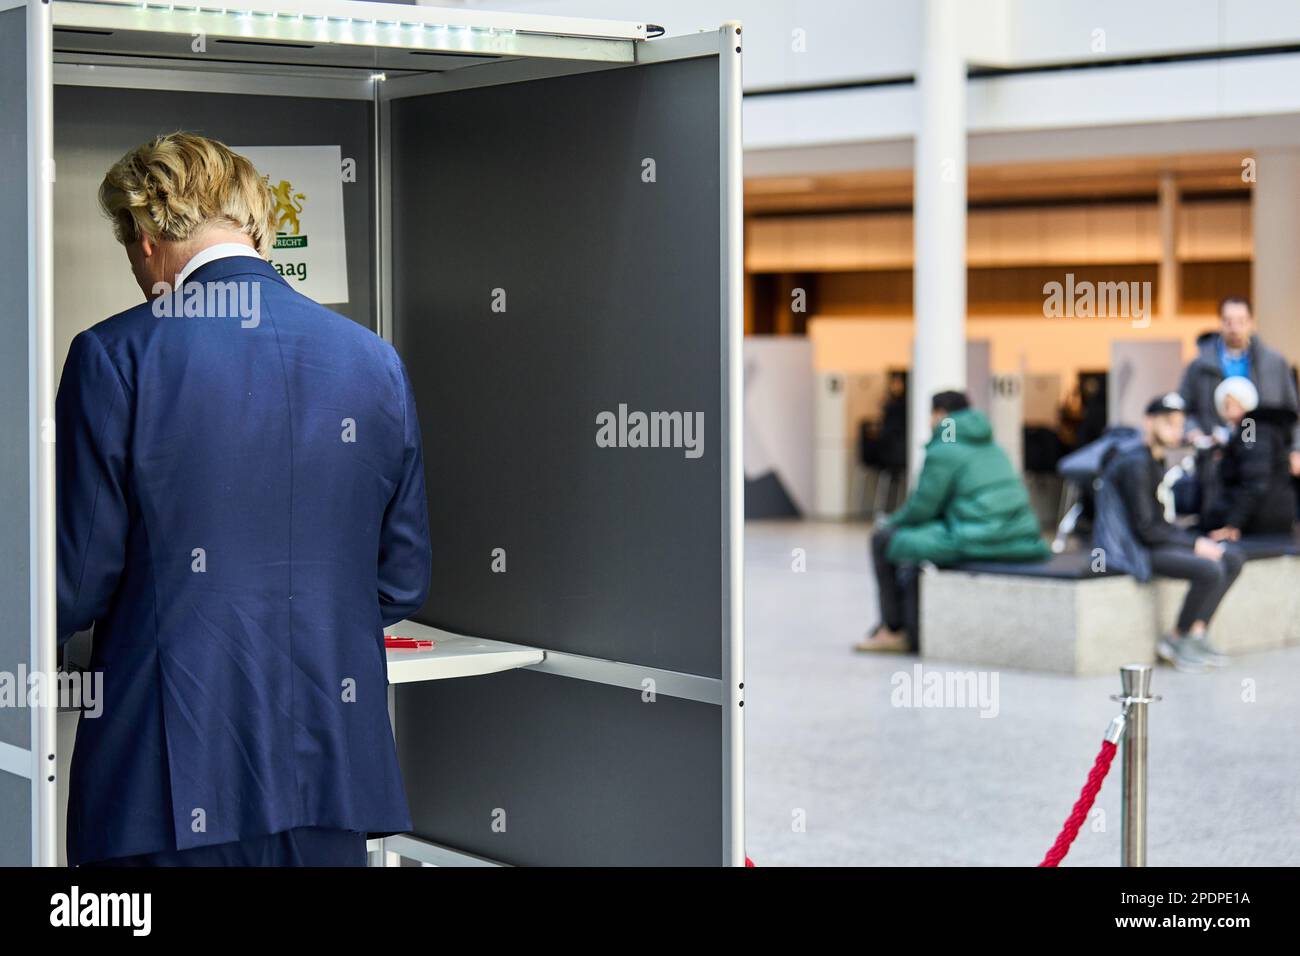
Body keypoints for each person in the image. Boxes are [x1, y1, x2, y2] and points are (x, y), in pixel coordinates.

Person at [57, 133, 431, 866]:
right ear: (254, 224)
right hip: (329, 773)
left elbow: (75, 582)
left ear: (145, 237)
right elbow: (400, 580)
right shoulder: (373, 361)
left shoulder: (115, 355)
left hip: (166, 778)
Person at [854, 390, 1049, 653]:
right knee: (913, 548)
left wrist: (890, 522)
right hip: (1021, 536)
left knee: (883, 540)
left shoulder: (945, 447)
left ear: (940, 415)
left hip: (980, 536)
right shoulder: (990, 443)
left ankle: (893, 630)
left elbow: (922, 509)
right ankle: (908, 626)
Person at [1092, 393, 1240, 673]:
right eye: (1169, 422)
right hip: (1131, 549)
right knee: (1210, 569)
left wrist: (1198, 539)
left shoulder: (1152, 460)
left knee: (1232, 558)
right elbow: (1146, 530)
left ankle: (1195, 633)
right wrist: (1195, 545)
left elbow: (1158, 520)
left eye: (1180, 422)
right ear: (1149, 422)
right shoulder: (1135, 463)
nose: (1176, 428)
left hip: (1151, 540)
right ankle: (1175, 639)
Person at [1178, 295, 1300, 478]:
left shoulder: (1274, 364)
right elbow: (1183, 408)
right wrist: (1193, 432)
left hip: (1264, 458)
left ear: (1251, 322)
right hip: (1216, 461)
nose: (1234, 328)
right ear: (1220, 323)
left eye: (1241, 321)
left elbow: (1292, 414)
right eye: (1228, 321)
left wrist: (1296, 450)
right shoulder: (1199, 366)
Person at [1200, 376, 1297, 539]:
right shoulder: (1254, 427)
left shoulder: (1250, 425)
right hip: (1270, 513)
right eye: (1227, 404)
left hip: (1262, 517)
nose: (1229, 410)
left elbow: (1254, 480)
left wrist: (1234, 524)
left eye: (1233, 403)